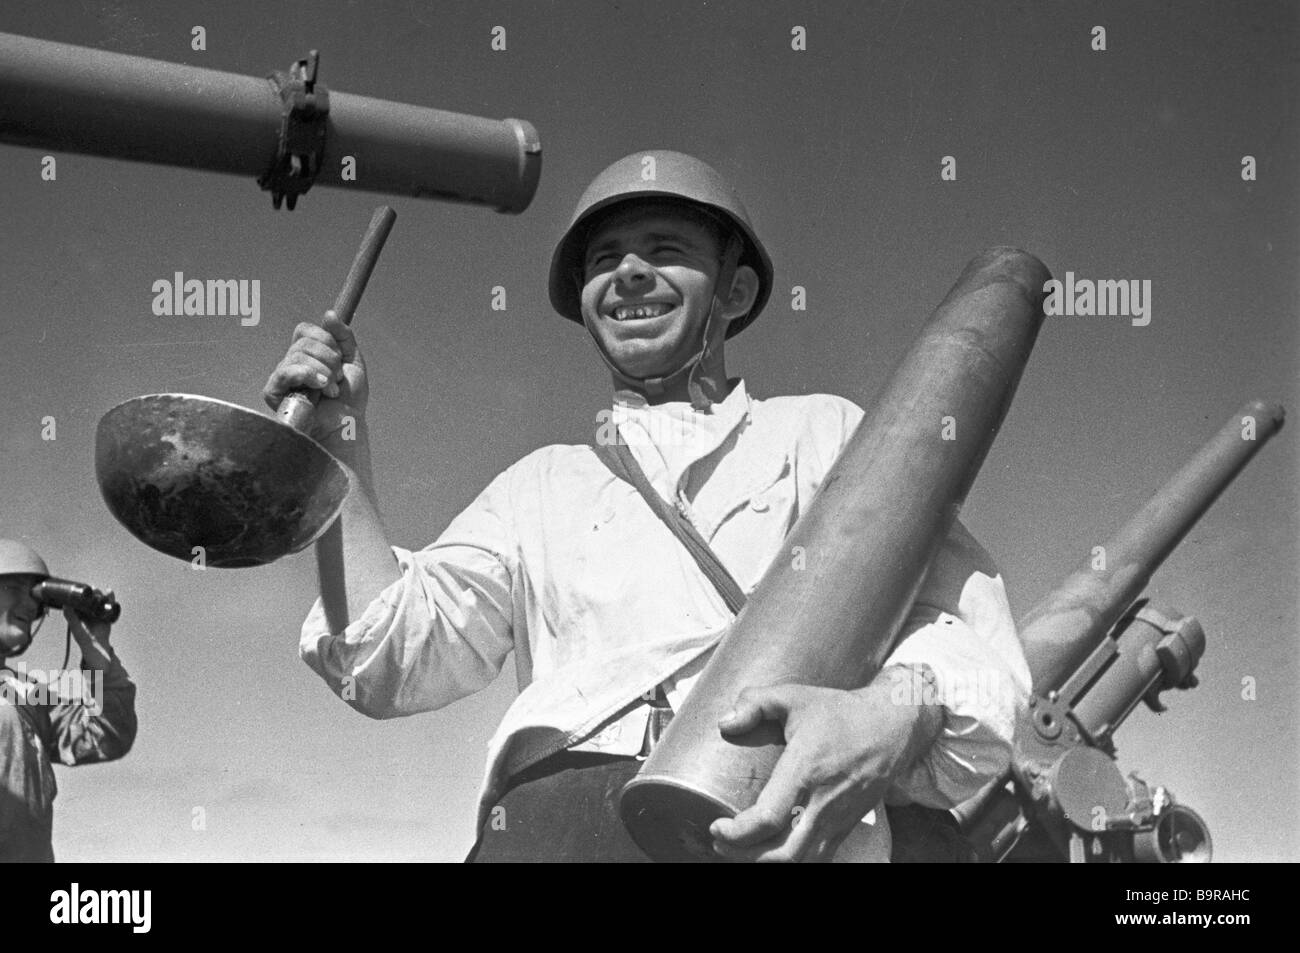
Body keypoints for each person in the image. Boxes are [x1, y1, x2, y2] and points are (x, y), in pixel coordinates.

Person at [265, 150, 1031, 862]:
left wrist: (893, 713)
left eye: (665, 249)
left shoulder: (826, 433)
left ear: (734, 289)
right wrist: (338, 446)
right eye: (605, 259)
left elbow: (964, 637)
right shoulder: (540, 485)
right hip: (557, 832)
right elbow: (386, 660)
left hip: (777, 832)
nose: (630, 272)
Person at [0, 539, 138, 862]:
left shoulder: (22, 692)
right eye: (14, 588)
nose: (29, 606)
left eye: (36, 596)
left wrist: (97, 657)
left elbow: (107, 735)